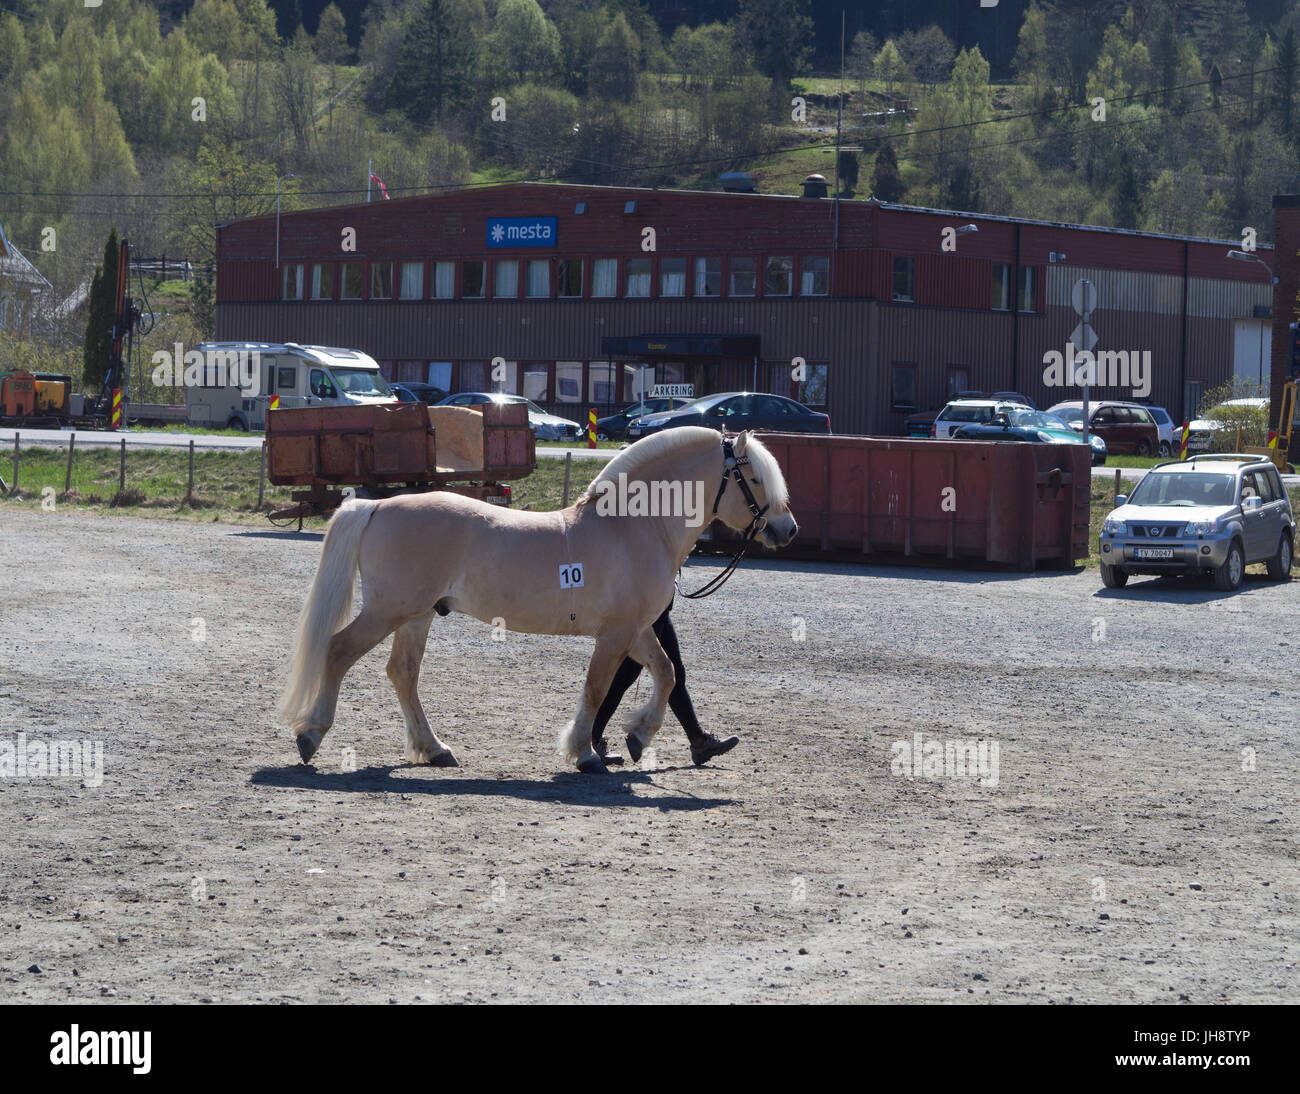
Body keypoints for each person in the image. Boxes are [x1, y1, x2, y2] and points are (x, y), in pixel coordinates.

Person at [590, 603, 738, 767]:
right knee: (627, 674)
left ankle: (699, 741)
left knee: (674, 674)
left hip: (658, 607)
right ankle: (591, 739)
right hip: (648, 607)